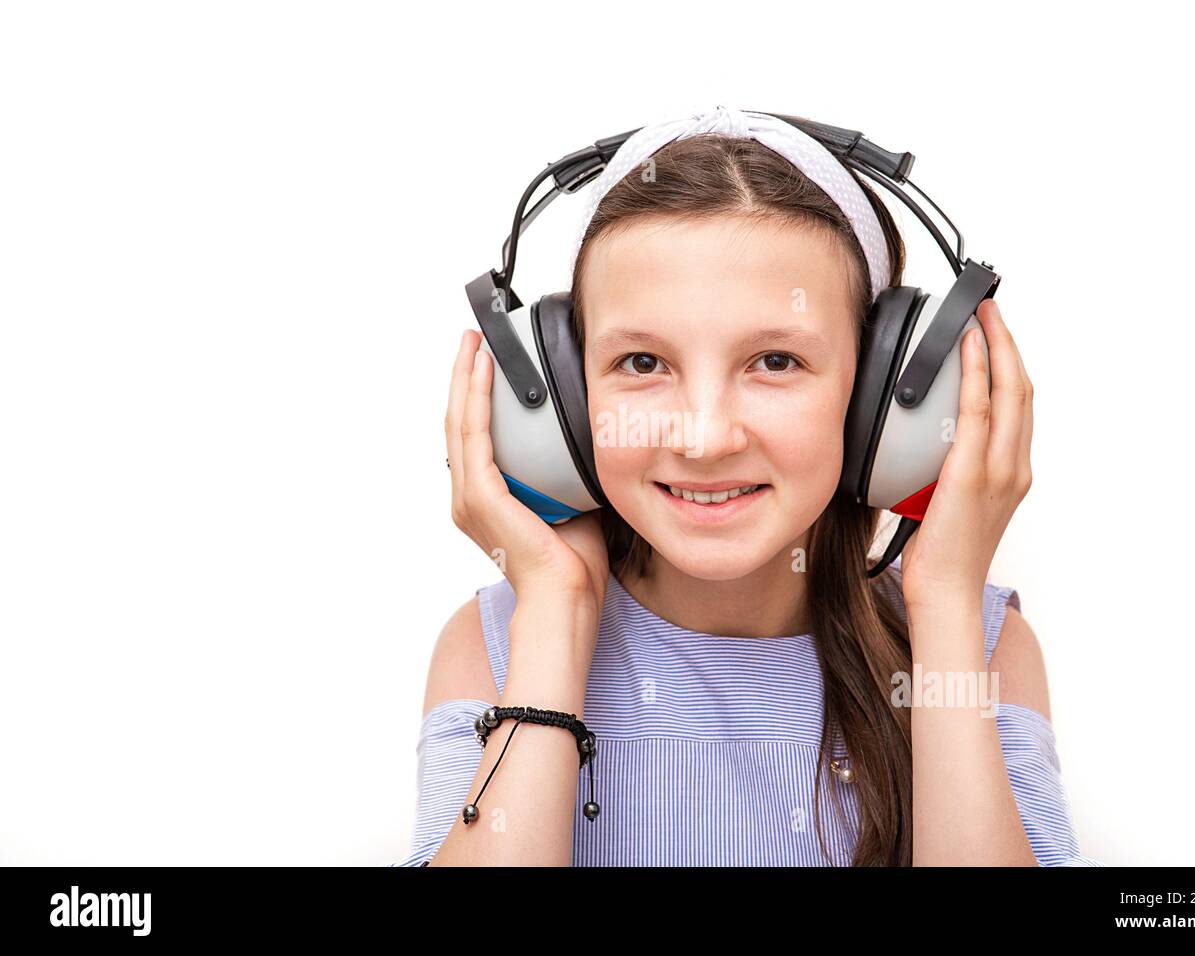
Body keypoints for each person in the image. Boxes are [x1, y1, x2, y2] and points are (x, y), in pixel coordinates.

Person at [394, 129, 1100, 866]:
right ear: (563, 401)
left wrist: (946, 600)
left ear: (877, 400)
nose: (704, 437)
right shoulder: (499, 646)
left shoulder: (979, 650)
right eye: (642, 361)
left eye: (774, 360)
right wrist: (555, 617)